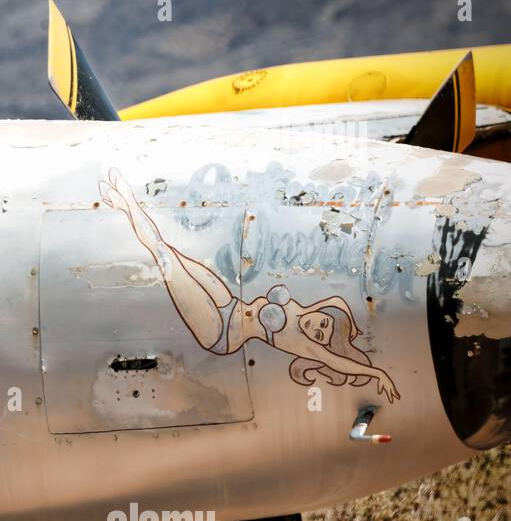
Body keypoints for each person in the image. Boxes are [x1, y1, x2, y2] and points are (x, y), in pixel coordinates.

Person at [99, 168, 400, 403]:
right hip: (229, 302)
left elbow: (340, 362)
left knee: (164, 258)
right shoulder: (302, 308)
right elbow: (340, 305)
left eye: (321, 335)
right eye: (323, 322)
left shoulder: (305, 345)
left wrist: (376, 373)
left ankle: (128, 203)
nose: (317, 329)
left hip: (219, 333)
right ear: (323, 312)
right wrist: (353, 326)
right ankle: (123, 205)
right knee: (169, 249)